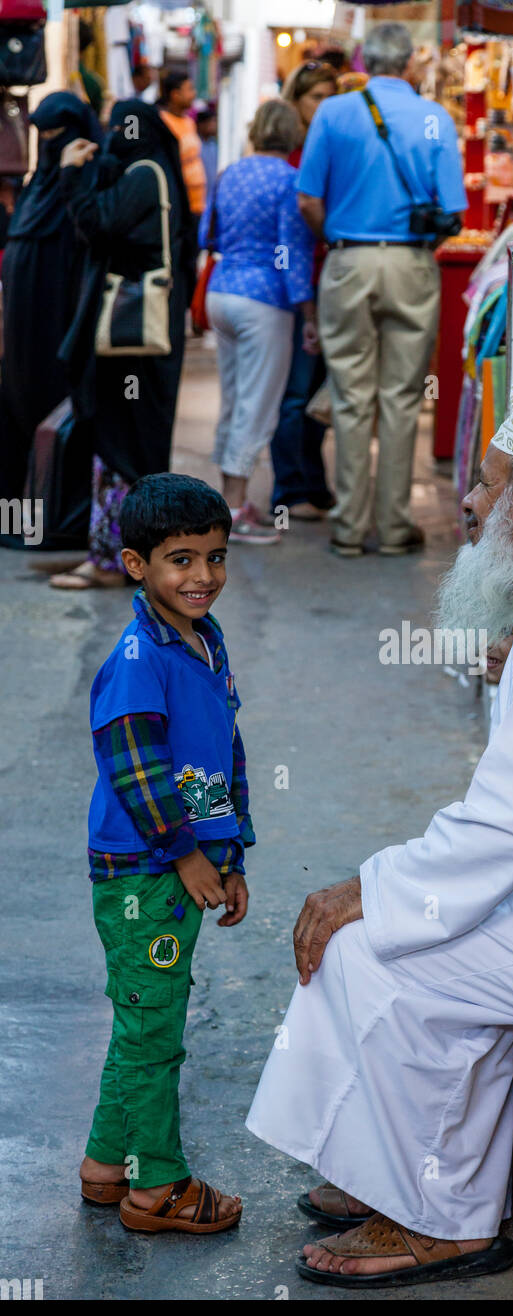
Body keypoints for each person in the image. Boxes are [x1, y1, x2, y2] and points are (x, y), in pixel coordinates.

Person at [246, 376, 513, 1287]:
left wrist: (368, 889)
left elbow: (508, 827)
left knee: (364, 951)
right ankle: (392, 1171)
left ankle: (445, 1218)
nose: (468, 502)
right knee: (379, 934)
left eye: (487, 483)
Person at [80, 473, 251, 1233]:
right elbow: (136, 768)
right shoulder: (135, 660)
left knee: (141, 1022)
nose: (203, 576)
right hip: (142, 878)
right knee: (154, 1037)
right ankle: (158, 1189)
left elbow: (220, 752)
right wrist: (187, 854)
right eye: (180, 560)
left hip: (183, 867)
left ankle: (106, 1166)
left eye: (215, 557)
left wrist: (230, 851)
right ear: (135, 564)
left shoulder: (203, 640)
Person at [297, 21, 466, 557]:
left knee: (350, 397)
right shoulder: (435, 118)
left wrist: (342, 239)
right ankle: (394, 528)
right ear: (410, 65)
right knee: (400, 397)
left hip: (349, 260)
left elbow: (307, 199)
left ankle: (349, 527)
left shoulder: (333, 112)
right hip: (413, 265)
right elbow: (454, 208)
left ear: (365, 62)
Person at [49, 99, 196, 591]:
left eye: (120, 126)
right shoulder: (152, 172)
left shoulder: (143, 175)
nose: (113, 134)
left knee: (122, 446)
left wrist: (72, 174)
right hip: (146, 340)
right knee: (136, 446)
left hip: (131, 340)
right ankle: (133, 559)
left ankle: (113, 560)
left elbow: (97, 224)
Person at [202, 99, 316, 543]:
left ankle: (228, 500)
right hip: (264, 299)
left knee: (233, 399)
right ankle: (234, 507)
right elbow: (293, 251)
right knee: (258, 405)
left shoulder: (230, 173)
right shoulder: (290, 181)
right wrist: (307, 310)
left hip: (221, 291)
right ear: (291, 135)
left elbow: (205, 234)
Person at [0, 93, 102, 504]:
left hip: (62, 326)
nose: (51, 142)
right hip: (22, 333)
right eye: (45, 134)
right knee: (18, 412)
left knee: (60, 414)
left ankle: (59, 516)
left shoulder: (85, 182)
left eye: (59, 134)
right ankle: (21, 513)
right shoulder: (35, 190)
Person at [268, 61, 339, 522]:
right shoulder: (290, 155)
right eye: (316, 97)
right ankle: (289, 489)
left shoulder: (329, 144)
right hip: (297, 285)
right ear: (296, 101)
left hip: (329, 277)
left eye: (330, 97)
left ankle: (313, 482)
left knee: (319, 392)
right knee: (295, 390)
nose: (323, 106)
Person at [159, 71, 207, 230]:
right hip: (179, 203)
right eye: (189, 89)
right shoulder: (164, 122)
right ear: (175, 94)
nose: (193, 94)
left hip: (197, 203)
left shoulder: (188, 121)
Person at [195, 102, 219, 198]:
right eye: (211, 122)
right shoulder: (195, 144)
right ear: (201, 124)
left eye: (215, 122)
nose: (214, 125)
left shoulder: (214, 144)